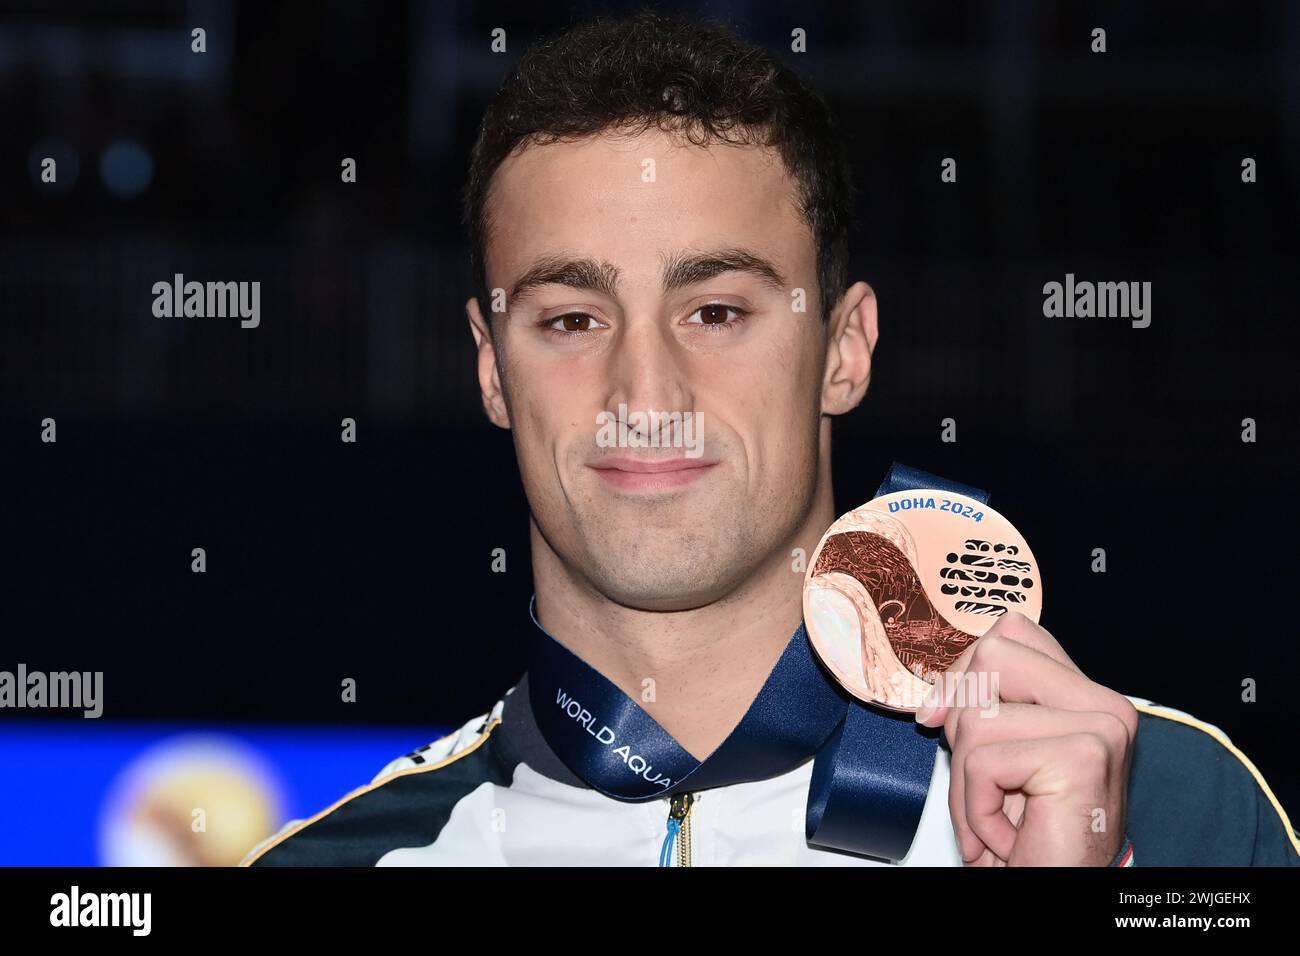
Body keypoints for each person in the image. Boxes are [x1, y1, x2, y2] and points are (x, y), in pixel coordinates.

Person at [242, 9, 1298, 867]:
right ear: (489, 367)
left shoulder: (1161, 806)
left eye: (717, 311)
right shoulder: (342, 860)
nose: (643, 389)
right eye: (570, 319)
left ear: (844, 348)